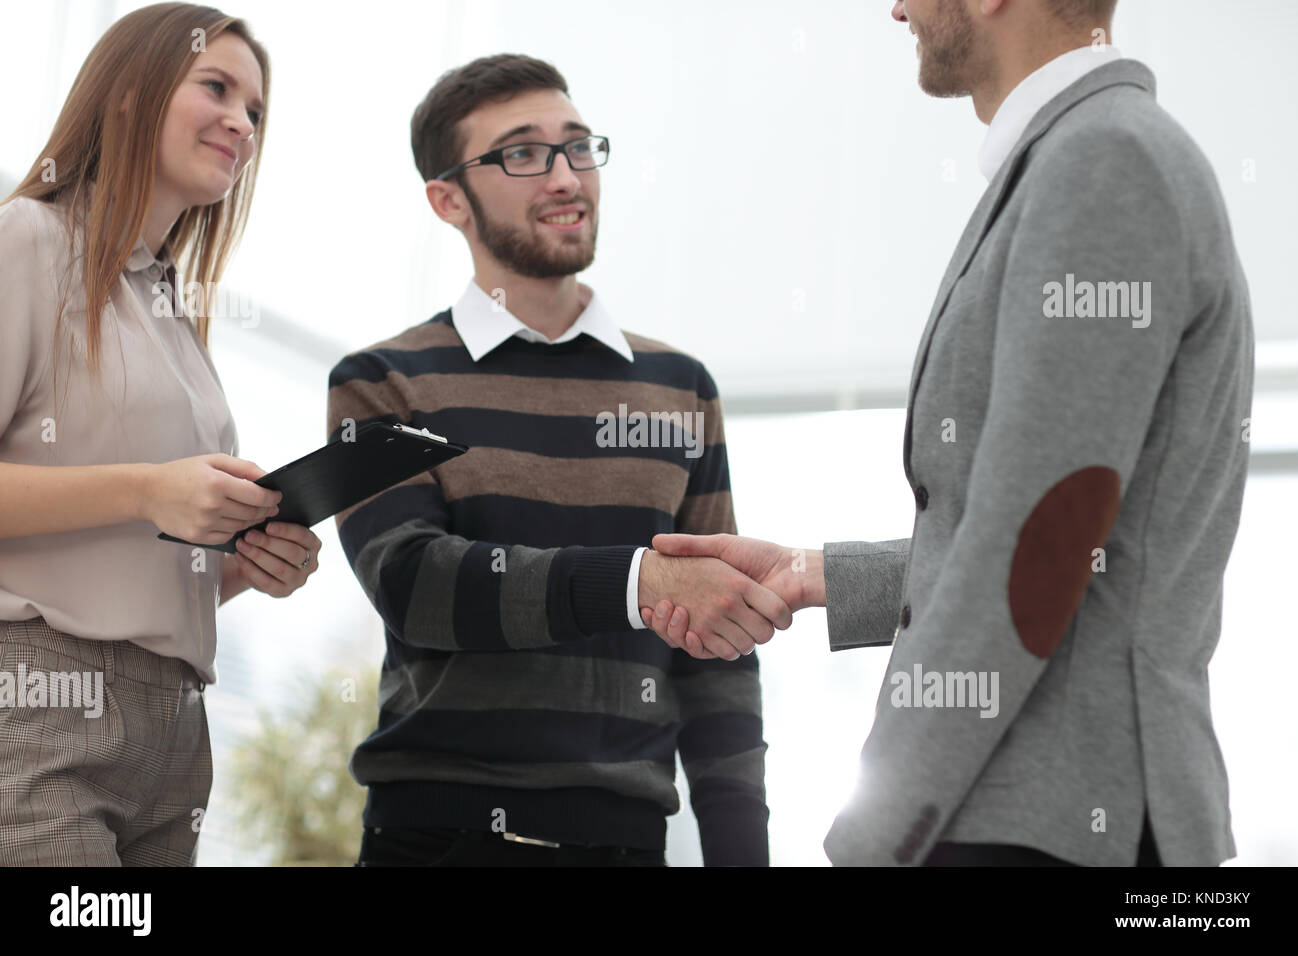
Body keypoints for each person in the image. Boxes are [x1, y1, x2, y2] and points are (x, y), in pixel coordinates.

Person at [643, 0, 1252, 867]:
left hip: (1041, 821)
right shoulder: (1088, 154)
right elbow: (1080, 539)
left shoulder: (1102, 162)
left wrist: (878, 835)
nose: (897, 7)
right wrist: (814, 575)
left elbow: (1039, 548)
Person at [327, 54, 788, 867]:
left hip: (626, 843)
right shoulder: (381, 382)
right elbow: (417, 587)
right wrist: (637, 582)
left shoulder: (681, 390)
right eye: (522, 153)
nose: (565, 176)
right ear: (448, 200)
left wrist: (741, 852)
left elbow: (716, 654)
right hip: (433, 842)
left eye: (578, 147)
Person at [0, 2, 322, 866]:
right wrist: (151, 487)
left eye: (255, 109)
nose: (242, 124)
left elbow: (122, 557)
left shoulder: (174, 313)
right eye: (215, 87)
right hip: (42, 705)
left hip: (177, 734)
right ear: (129, 96)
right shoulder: (26, 240)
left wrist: (236, 567)